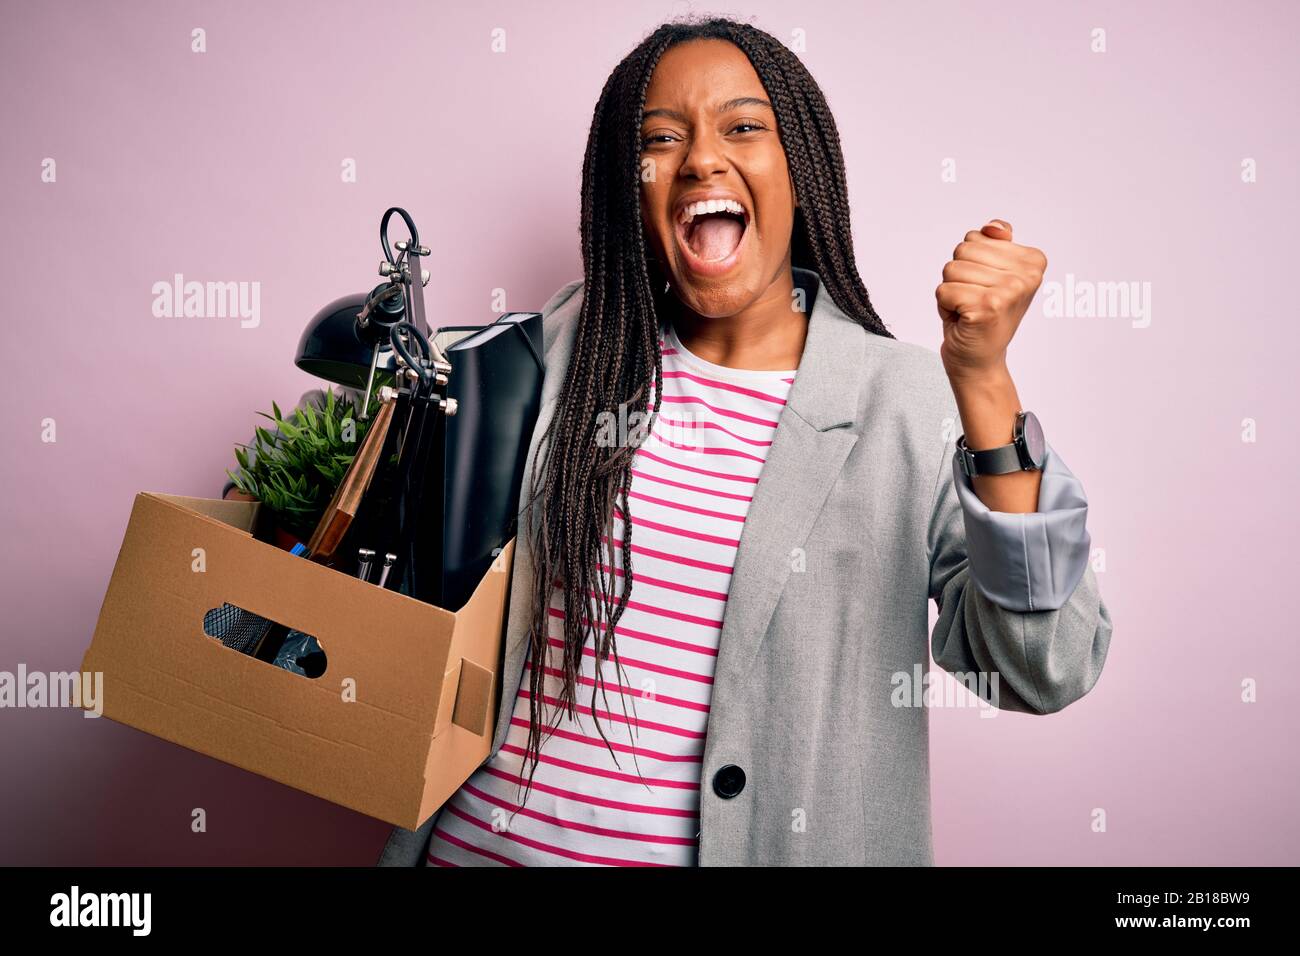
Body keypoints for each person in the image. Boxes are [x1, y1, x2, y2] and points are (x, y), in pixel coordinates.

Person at [233, 16, 1112, 866]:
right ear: (632, 186)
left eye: (743, 127)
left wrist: (986, 382)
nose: (699, 157)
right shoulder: (560, 353)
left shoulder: (908, 402)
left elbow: (1043, 667)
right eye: (660, 139)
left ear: (801, 168)